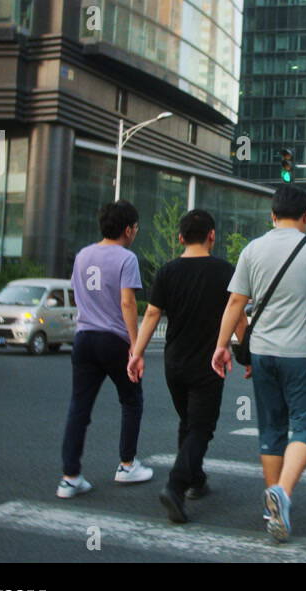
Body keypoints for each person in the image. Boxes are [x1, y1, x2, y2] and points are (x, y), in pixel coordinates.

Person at [211, 185, 306, 543]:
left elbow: (236, 303)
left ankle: (271, 509)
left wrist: (223, 346)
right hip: (301, 354)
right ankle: (282, 491)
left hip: (263, 353)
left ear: (272, 215)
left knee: (271, 430)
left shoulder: (253, 249)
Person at [128, 210, 250, 524]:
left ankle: (195, 479)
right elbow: (237, 316)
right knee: (201, 427)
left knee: (188, 422)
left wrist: (136, 353)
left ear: (180, 237)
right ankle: (176, 485)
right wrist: (247, 356)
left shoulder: (167, 272)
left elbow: (152, 316)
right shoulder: (225, 271)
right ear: (212, 235)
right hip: (208, 363)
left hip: (174, 364)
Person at [58, 200, 153, 499]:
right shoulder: (127, 258)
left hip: (84, 337)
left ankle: (70, 477)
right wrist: (136, 347)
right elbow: (127, 303)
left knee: (79, 408)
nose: (136, 233)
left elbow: (78, 294)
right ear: (128, 229)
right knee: (131, 400)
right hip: (113, 339)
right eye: (136, 228)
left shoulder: (83, 255)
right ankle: (127, 464)